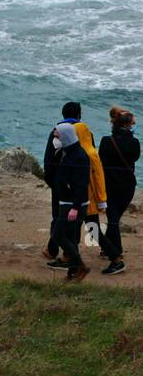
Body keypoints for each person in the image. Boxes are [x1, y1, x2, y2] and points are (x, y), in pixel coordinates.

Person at [98, 106, 139, 276]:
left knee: (113, 219)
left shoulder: (106, 141)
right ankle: (108, 249)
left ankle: (117, 255)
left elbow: (101, 162)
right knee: (114, 218)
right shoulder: (134, 143)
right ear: (128, 126)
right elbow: (135, 157)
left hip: (110, 185)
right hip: (128, 186)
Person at [48, 122, 91, 281]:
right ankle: (73, 273)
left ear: (65, 136)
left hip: (73, 205)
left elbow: (82, 184)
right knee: (71, 238)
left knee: (57, 235)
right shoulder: (67, 152)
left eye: (57, 136)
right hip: (66, 203)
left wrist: (75, 207)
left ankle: (81, 266)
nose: (55, 138)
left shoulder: (79, 156)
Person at [42, 102, 82, 260]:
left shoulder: (55, 132)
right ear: (79, 115)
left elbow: (48, 161)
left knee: (57, 216)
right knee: (75, 218)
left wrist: (52, 182)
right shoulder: (84, 132)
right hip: (77, 183)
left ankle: (52, 250)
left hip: (59, 184)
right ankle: (69, 252)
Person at [74, 121, 108, 265]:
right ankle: (113, 254)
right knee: (88, 229)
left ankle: (115, 256)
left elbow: (99, 178)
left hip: (89, 199)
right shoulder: (83, 152)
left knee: (93, 230)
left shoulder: (91, 154)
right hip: (83, 198)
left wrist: (102, 200)